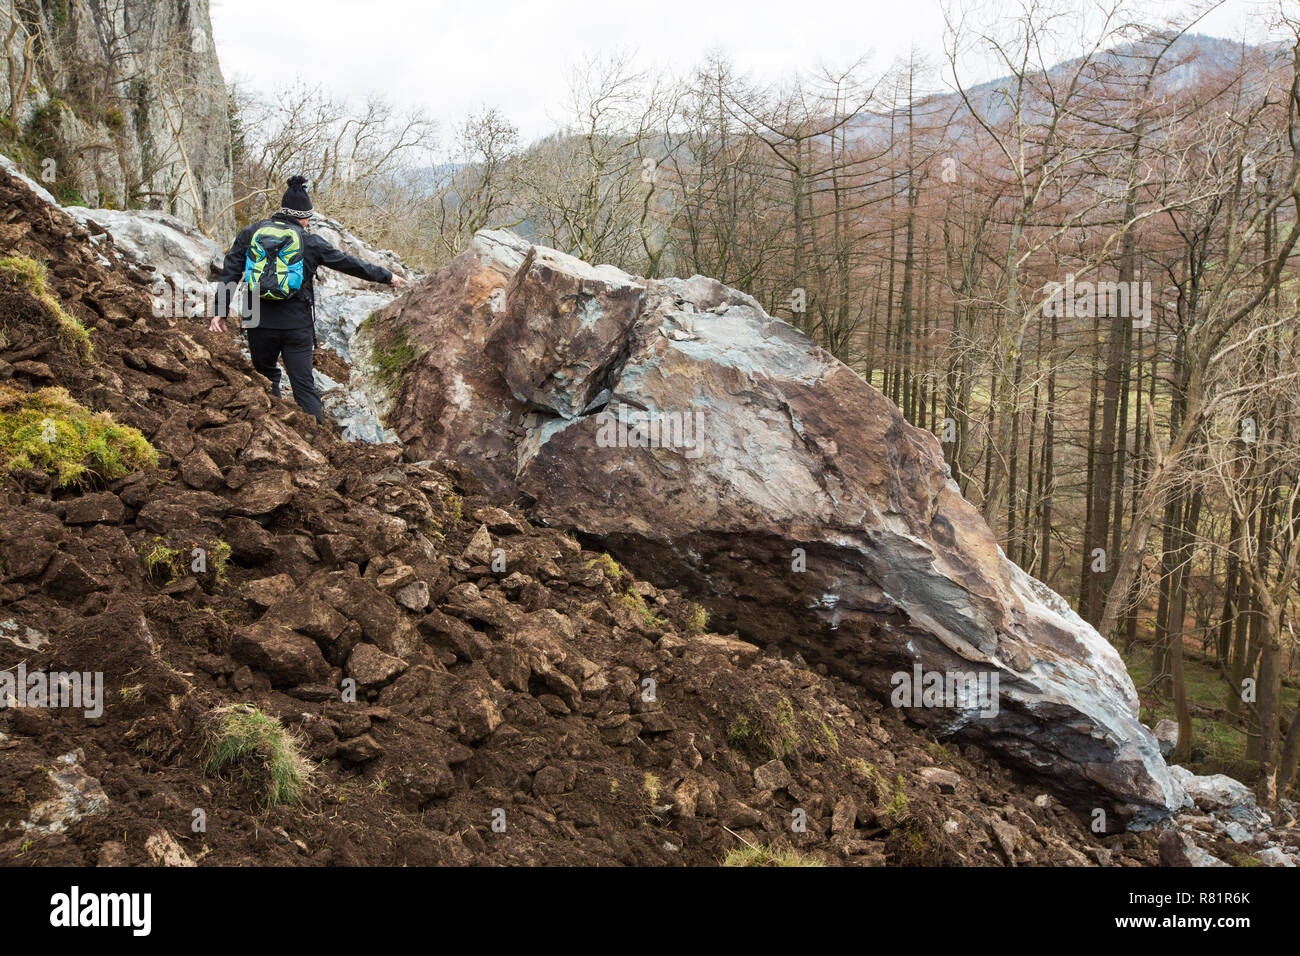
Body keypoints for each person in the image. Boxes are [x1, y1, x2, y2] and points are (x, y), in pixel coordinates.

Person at [210, 175, 408, 423]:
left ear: (282, 211)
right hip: (296, 323)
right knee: (303, 386)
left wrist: (220, 309)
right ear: (304, 217)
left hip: (255, 316)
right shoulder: (310, 241)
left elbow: (231, 270)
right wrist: (387, 276)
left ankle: (270, 425)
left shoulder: (251, 232)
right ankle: (316, 438)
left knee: (265, 375)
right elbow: (348, 263)